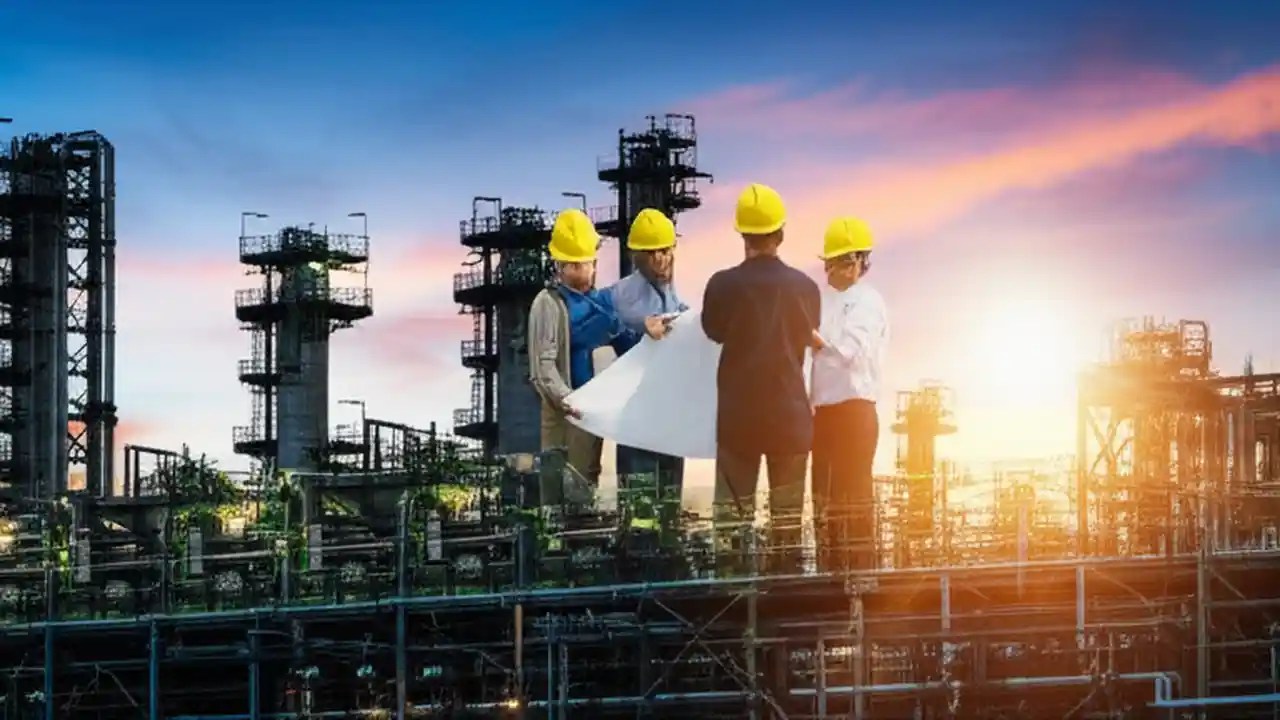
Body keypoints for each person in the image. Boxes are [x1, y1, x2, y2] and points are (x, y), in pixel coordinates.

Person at [700, 183, 820, 570]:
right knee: (787, 529)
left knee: (732, 525)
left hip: (739, 423)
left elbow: (713, 330)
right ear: (780, 234)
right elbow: (808, 332)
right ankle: (786, 603)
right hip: (790, 421)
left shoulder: (722, 285)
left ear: (742, 235)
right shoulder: (806, 288)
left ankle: (731, 600)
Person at [527, 208, 668, 507]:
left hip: (592, 411)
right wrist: (569, 400)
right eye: (575, 266)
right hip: (567, 414)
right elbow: (543, 367)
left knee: (586, 482)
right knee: (563, 487)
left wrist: (650, 329)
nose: (583, 272)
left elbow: (625, 338)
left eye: (587, 264)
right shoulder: (548, 304)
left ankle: (583, 541)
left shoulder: (599, 303)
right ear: (560, 266)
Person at [810, 217, 889, 571]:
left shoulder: (868, 302)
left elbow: (849, 350)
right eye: (832, 260)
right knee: (824, 499)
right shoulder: (820, 301)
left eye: (851, 258)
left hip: (856, 411)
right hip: (824, 413)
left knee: (854, 498)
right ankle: (830, 571)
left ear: (859, 261)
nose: (829, 268)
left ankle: (860, 574)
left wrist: (815, 341)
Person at [609, 208, 689, 504]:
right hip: (638, 419)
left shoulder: (671, 293)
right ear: (636, 256)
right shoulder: (620, 296)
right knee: (640, 503)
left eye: (665, 250)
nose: (660, 259)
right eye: (651, 253)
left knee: (669, 500)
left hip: (670, 417)